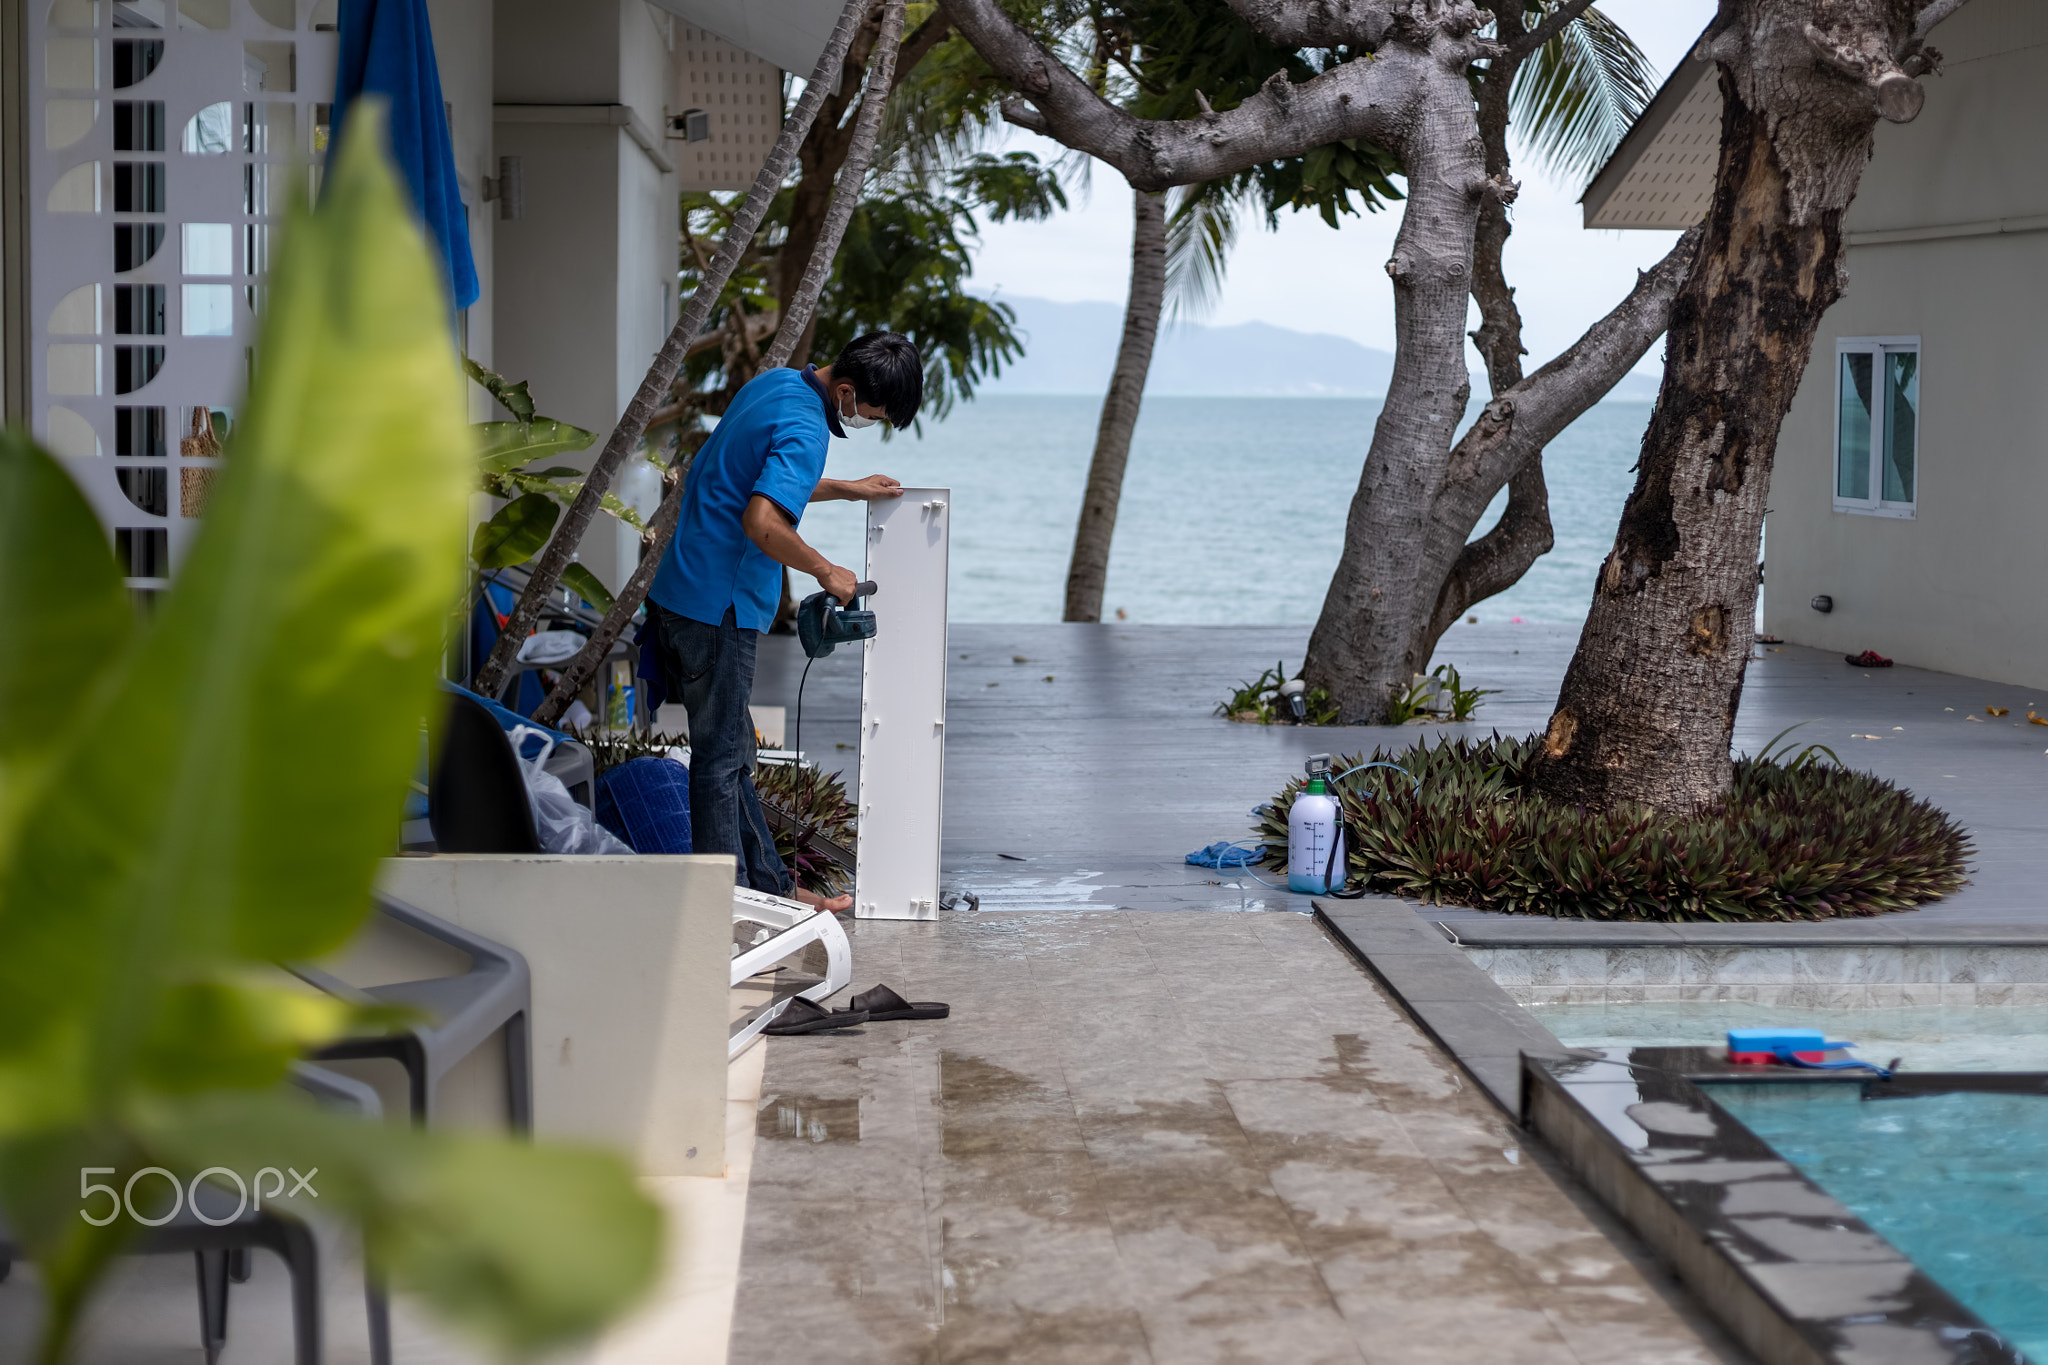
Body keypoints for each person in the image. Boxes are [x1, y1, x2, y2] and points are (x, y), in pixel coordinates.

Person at [646, 332, 921, 911]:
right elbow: (763, 520)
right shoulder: (807, 429)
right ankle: (726, 914)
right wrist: (827, 571)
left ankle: (766, 889)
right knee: (721, 764)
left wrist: (848, 489)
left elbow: (756, 478)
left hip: (681, 590)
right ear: (847, 393)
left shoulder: (778, 384)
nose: (871, 421)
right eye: (873, 413)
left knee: (733, 749)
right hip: (717, 608)